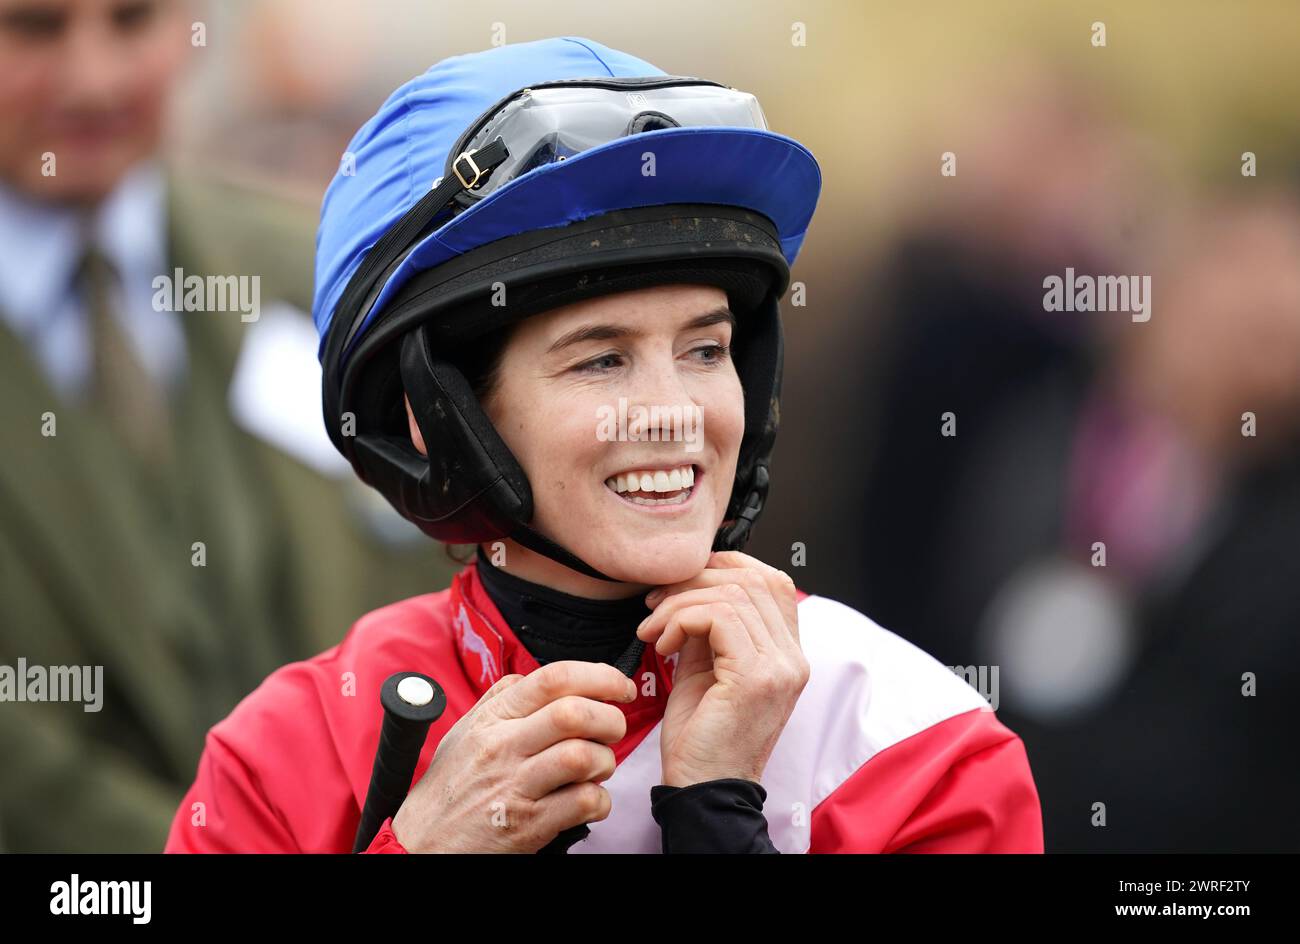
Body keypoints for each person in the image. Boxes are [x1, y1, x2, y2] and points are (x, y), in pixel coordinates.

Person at [165, 36, 1043, 853]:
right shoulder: (285, 752)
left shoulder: (919, 745)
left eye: (705, 348)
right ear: (439, 410)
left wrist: (719, 824)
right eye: (602, 360)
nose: (672, 413)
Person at [0, 0, 450, 852]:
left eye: (132, 22)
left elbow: (432, 586)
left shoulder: (318, 280)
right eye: (34, 28)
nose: (93, 81)